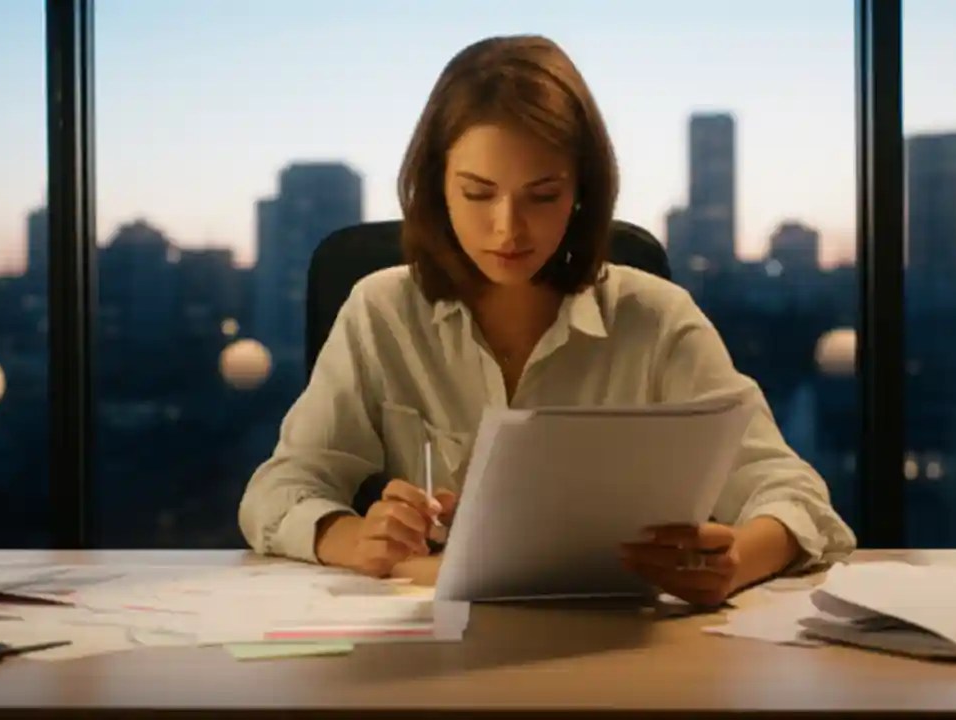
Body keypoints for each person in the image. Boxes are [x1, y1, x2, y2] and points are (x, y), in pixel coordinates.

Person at [239, 34, 856, 606]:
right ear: (437, 188)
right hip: (431, 641)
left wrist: (738, 560)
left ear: (582, 192)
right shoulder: (382, 311)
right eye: (478, 193)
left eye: (543, 195)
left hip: (625, 648)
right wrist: (352, 538)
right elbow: (279, 489)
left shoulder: (657, 319)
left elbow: (793, 493)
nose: (508, 229)